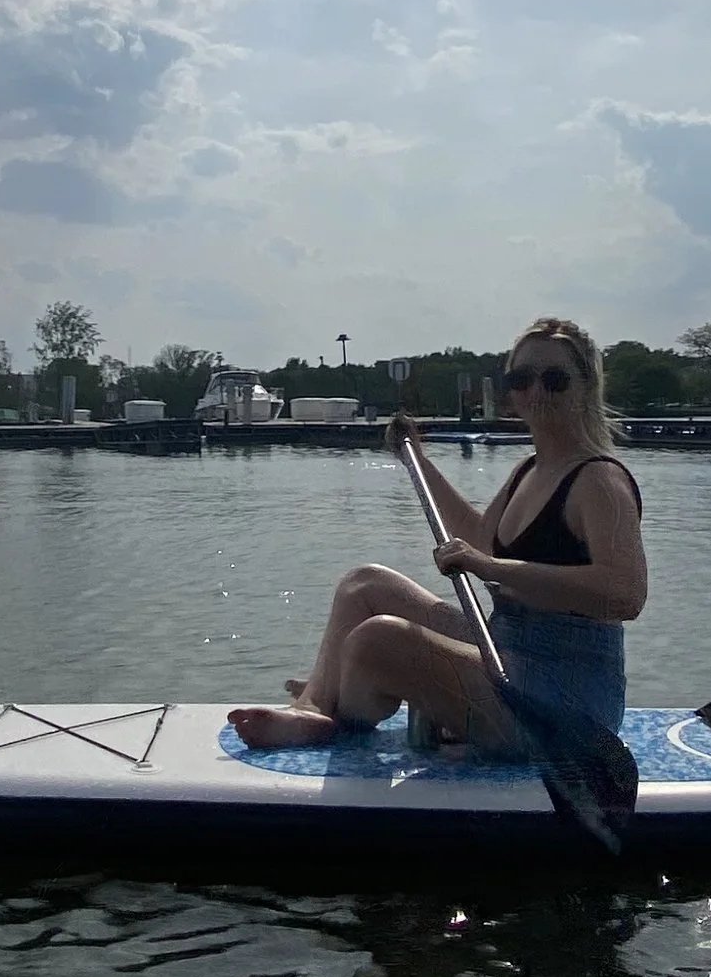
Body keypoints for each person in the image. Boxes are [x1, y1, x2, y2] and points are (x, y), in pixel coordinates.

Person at [227, 316, 647, 754]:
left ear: (585, 387)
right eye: (521, 379)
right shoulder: (530, 470)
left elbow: (625, 594)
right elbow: (481, 540)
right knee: (364, 584)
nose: (535, 391)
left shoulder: (599, 479)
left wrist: (488, 567)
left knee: (379, 640)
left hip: (564, 705)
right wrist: (419, 464)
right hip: (506, 653)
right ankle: (316, 706)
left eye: (554, 379)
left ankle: (345, 704)